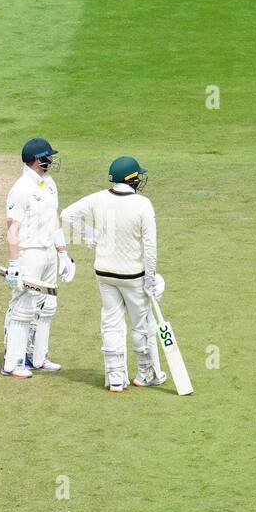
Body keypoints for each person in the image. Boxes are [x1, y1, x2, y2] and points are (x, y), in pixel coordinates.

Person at [60, 157, 162, 393]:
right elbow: (150, 248)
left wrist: (90, 235)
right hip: (132, 275)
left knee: (111, 324)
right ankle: (145, 374)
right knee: (140, 325)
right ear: (132, 179)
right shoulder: (143, 204)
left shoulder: (98, 198)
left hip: (104, 273)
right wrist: (150, 280)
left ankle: (116, 378)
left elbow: (66, 215)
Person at [2, 137, 73, 377]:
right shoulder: (21, 188)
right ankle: (13, 363)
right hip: (29, 253)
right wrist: (13, 263)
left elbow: (54, 220)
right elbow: (12, 226)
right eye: (47, 157)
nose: (51, 160)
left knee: (48, 306)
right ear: (36, 160)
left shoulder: (49, 184)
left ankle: (38, 358)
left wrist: (63, 254)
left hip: (48, 253)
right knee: (23, 308)